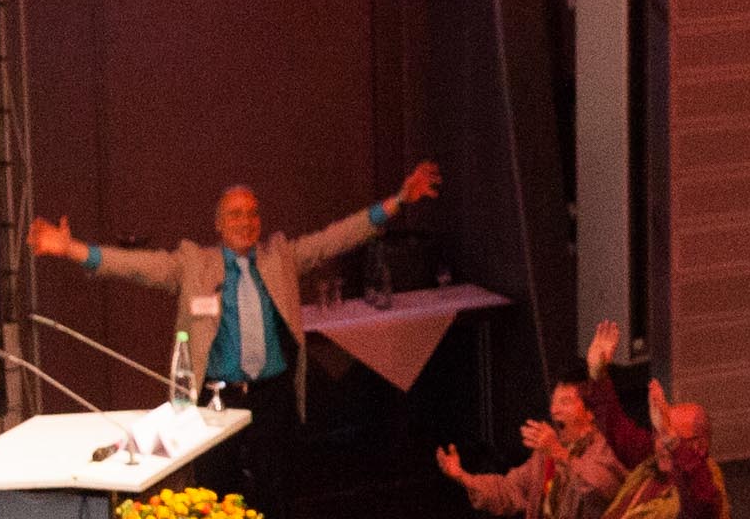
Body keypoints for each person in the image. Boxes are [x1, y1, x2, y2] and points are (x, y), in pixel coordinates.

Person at [26, 160, 446, 426]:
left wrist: (397, 201)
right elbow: (136, 266)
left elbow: (338, 237)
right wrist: (72, 249)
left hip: (272, 396)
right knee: (217, 498)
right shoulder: (192, 264)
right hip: (215, 400)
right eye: (235, 214)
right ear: (218, 225)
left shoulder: (281, 256)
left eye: (253, 213)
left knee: (273, 500)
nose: (246, 221)